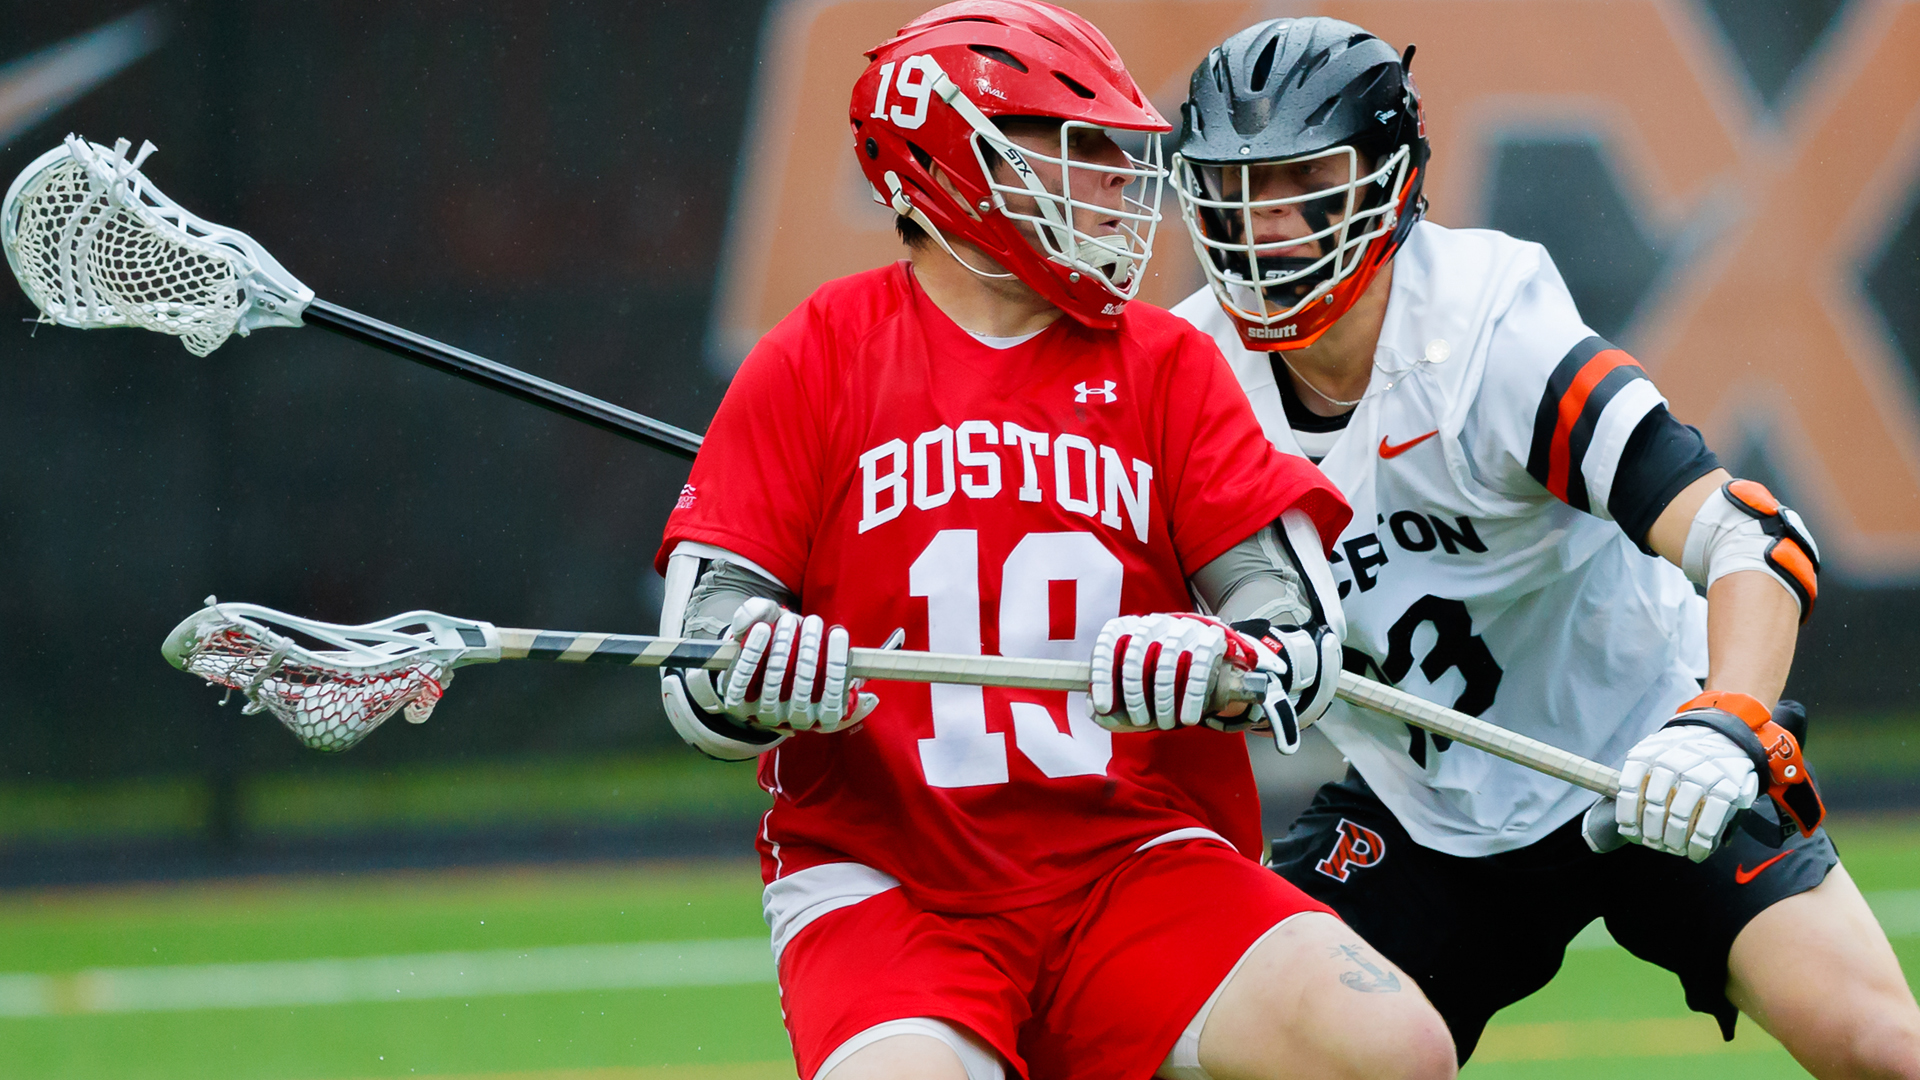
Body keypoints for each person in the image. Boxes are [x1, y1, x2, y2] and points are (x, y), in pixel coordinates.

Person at [651, 4, 1458, 1079]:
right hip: (891, 881)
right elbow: (698, 658)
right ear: (946, 163)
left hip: (1131, 857)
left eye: (1126, 156)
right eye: (1081, 152)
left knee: (1393, 1048)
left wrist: (1223, 659)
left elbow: (1298, 631)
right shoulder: (816, 355)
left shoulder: (1165, 364)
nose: (1123, 186)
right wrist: (762, 664)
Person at [1167, 16, 1920, 1076]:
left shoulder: (1484, 327)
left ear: (1387, 183)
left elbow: (1752, 539)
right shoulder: (1183, 371)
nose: (1263, 231)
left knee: (1886, 1048)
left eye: (1301, 186)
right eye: (1236, 191)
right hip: (1416, 808)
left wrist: (1727, 725)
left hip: (1643, 754)